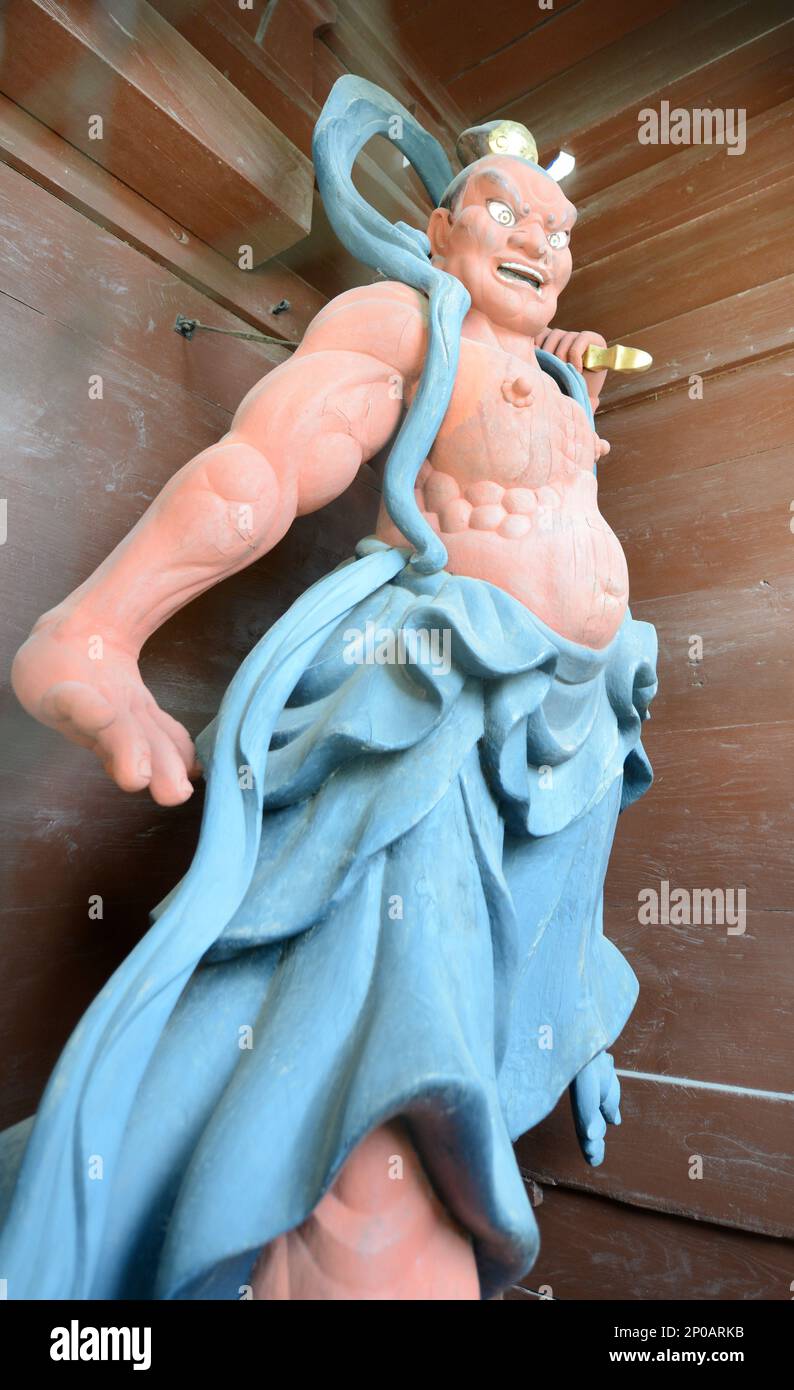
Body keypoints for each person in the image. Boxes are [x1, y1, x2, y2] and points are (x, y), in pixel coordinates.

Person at [0, 78, 657, 1300]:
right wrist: (99, 630)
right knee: (378, 1073)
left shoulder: (562, 390)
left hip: (560, 739)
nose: (538, 240)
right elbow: (267, 461)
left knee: (456, 1037)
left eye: (558, 232)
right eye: (502, 212)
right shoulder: (410, 322)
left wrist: (578, 1022)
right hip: (424, 723)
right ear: (435, 231)